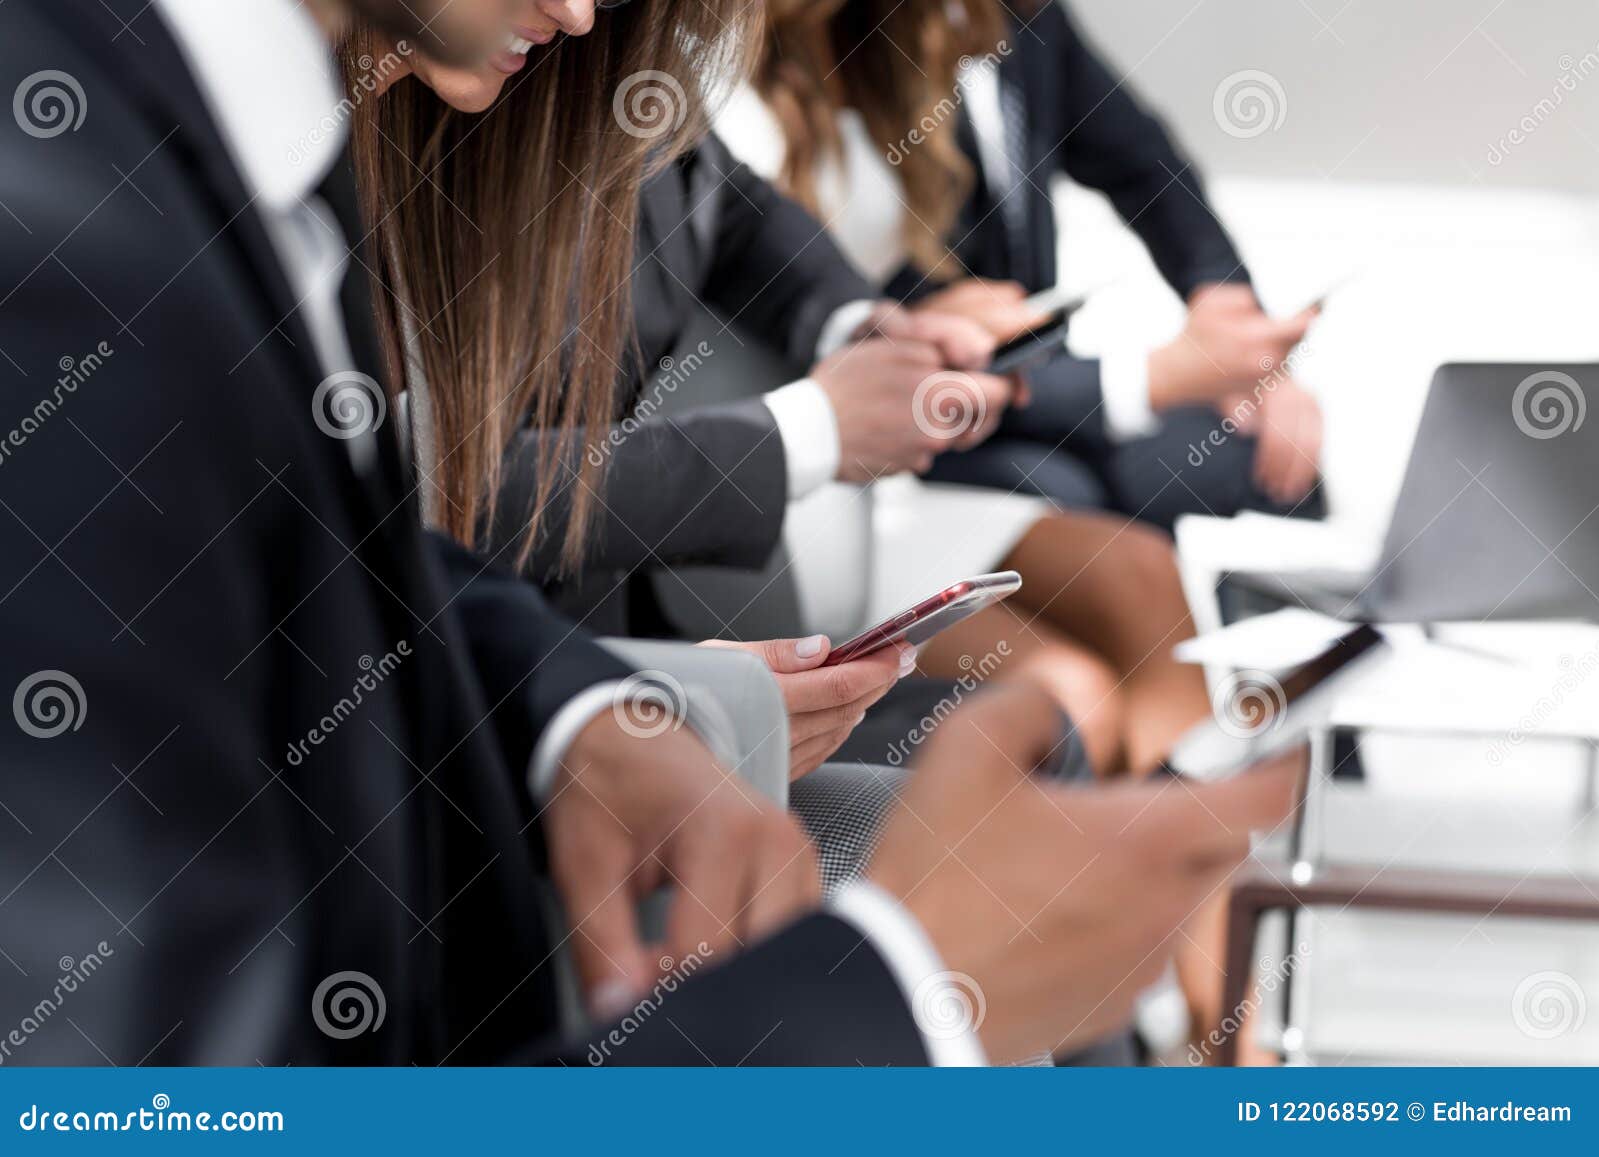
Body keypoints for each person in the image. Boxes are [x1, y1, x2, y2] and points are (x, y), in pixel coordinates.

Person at [0, 0, 1297, 1067]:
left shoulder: (244, 131)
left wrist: (576, 713)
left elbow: (355, 542)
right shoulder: (65, 258)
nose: (578, 16)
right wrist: (903, 992)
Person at [352, 26, 1213, 777]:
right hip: (537, 651)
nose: (581, 13)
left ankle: (1219, 943)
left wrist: (857, 324)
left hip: (626, 612)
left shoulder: (615, 67)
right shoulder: (411, 125)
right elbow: (449, 491)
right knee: (1064, 699)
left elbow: (732, 203)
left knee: (1131, 606)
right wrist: (811, 432)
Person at [725, 0, 1327, 535]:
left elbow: (1145, 166)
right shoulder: (844, 47)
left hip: (1035, 377)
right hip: (925, 412)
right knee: (1072, 506)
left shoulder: (1027, 19)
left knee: (1258, 469)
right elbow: (834, 300)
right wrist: (1154, 376)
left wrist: (1243, 337)